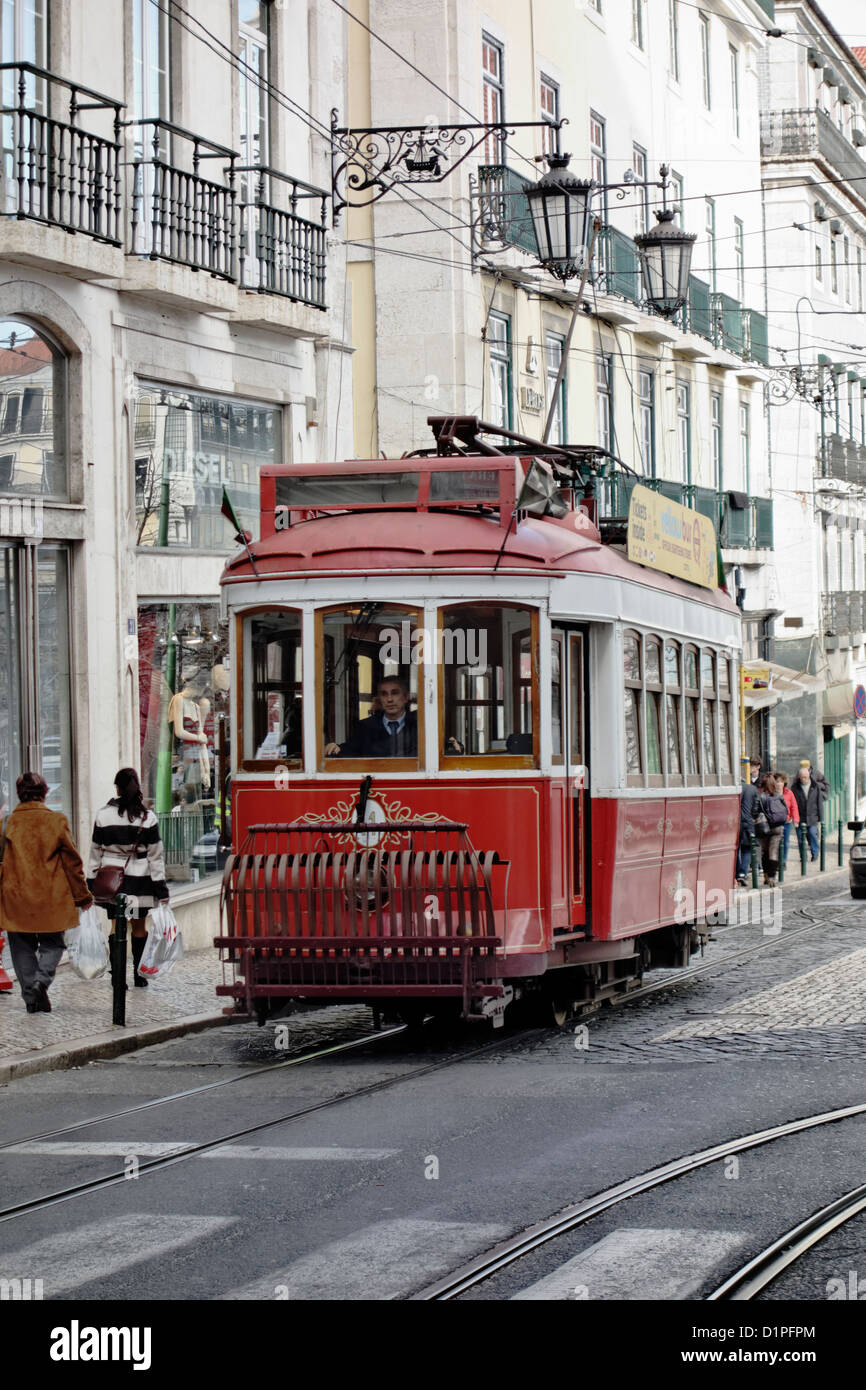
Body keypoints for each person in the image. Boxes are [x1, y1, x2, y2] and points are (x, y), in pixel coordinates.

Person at [0, 771, 93, 1013]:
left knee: (21, 948)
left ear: (20, 794)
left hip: (16, 897)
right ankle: (41, 982)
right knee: (53, 945)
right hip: (51, 897)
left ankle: (32, 995)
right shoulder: (56, 821)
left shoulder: (8, 823)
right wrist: (82, 896)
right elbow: (73, 863)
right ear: (44, 793)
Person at [88, 768, 169, 989]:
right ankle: (139, 975)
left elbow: (95, 851)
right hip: (139, 882)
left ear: (117, 788)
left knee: (116, 926)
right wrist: (161, 889)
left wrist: (90, 880)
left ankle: (117, 978)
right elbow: (155, 856)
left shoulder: (103, 815)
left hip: (113, 882)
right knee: (139, 927)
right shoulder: (147, 818)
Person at [325, 676, 464, 758]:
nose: (389, 699)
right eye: (384, 694)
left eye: (395, 693)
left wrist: (456, 746)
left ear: (406, 697)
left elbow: (445, 748)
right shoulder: (365, 727)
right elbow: (350, 751)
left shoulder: (422, 724)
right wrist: (335, 747)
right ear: (379, 698)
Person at [792, 760, 829, 863]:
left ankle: (815, 853)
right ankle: (803, 857)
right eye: (802, 777)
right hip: (800, 817)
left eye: (805, 777)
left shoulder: (815, 786)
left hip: (812, 816)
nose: (804, 779)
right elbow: (793, 804)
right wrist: (793, 817)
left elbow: (819, 802)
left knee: (813, 834)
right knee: (800, 839)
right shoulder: (795, 787)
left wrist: (821, 818)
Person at [756, 773, 786, 887]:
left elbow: (755, 811)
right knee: (773, 852)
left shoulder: (760, 796)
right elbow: (785, 810)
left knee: (764, 852)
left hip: (764, 827)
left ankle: (766, 876)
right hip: (778, 827)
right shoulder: (778, 795)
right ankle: (773, 877)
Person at [737, 771, 759, 886]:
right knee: (748, 849)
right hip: (748, 822)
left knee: (736, 849)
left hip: (735, 822)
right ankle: (742, 873)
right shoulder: (752, 789)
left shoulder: (734, 789)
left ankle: (737, 874)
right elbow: (755, 808)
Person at [775, 771, 799, 867]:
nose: (779, 784)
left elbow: (794, 807)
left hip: (786, 822)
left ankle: (783, 861)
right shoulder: (771, 793)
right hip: (775, 822)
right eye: (777, 781)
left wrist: (796, 820)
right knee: (775, 842)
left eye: (781, 781)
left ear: (784, 782)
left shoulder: (789, 793)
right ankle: (776, 861)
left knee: (785, 842)